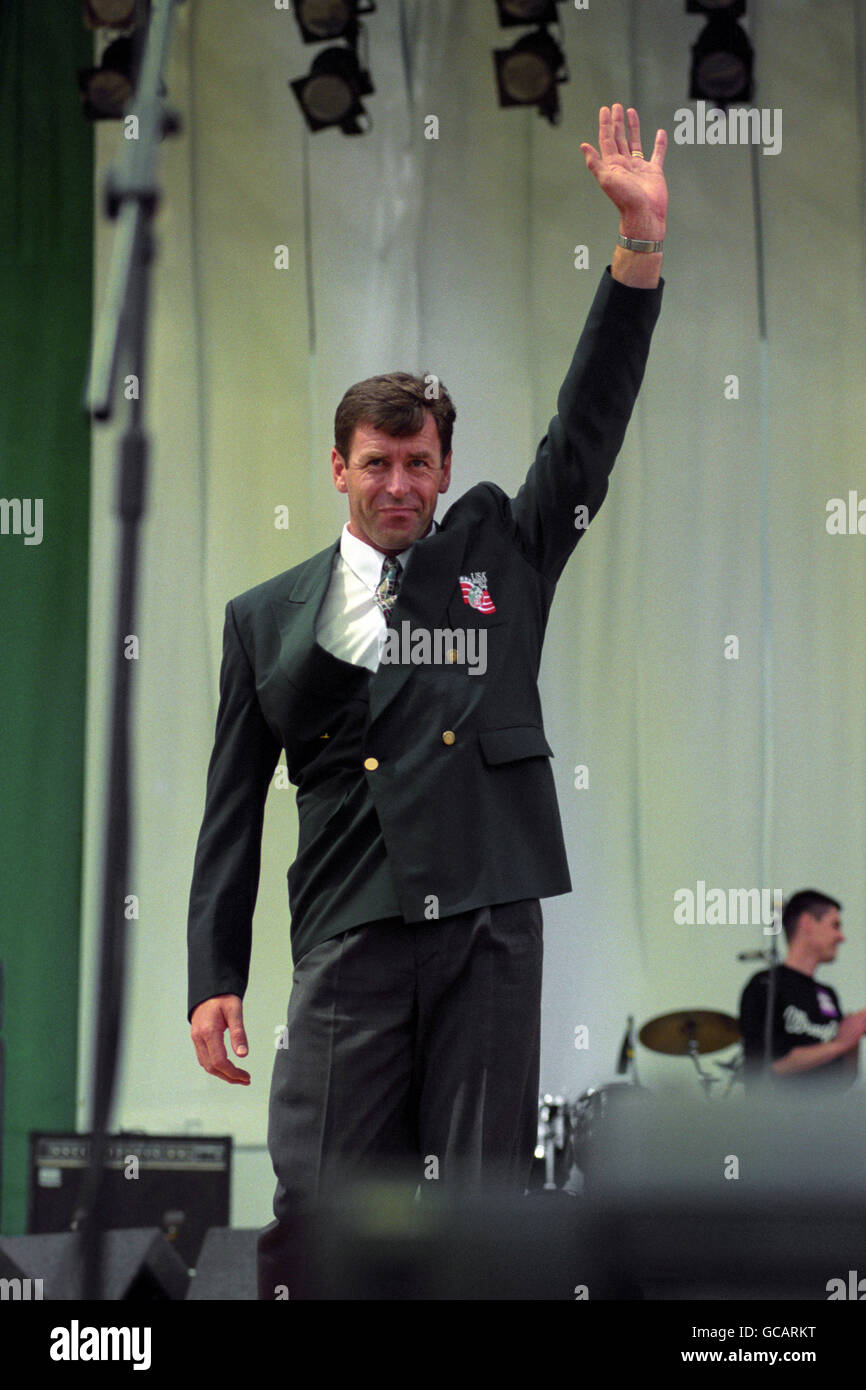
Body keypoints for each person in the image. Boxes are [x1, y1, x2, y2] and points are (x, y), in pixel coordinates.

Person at [186, 104, 667, 1294]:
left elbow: (587, 428)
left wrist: (637, 247)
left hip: (489, 925)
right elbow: (231, 808)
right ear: (338, 467)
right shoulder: (266, 616)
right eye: (377, 462)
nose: (400, 482)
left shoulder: (496, 549)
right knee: (322, 1196)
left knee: (483, 1211)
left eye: (420, 462)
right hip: (351, 931)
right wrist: (213, 973)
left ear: (443, 468)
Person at [739, 889, 866, 1090]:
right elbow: (770, 1066)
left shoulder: (827, 994)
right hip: (779, 1118)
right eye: (835, 925)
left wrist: (854, 1036)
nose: (841, 937)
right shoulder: (765, 985)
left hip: (825, 1117)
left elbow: (843, 1081)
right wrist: (839, 1044)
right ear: (807, 922)